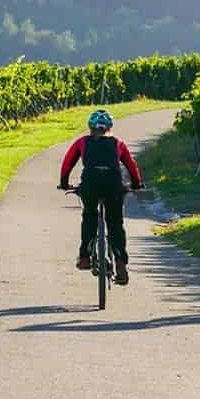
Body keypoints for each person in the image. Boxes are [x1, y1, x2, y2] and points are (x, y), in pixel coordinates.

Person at [58, 108, 144, 284]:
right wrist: (136, 184)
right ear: (109, 127)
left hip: (90, 185)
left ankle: (84, 256)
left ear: (90, 127)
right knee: (115, 223)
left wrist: (65, 183)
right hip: (113, 186)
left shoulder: (82, 142)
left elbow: (68, 163)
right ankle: (120, 259)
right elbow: (131, 165)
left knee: (89, 216)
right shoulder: (118, 143)